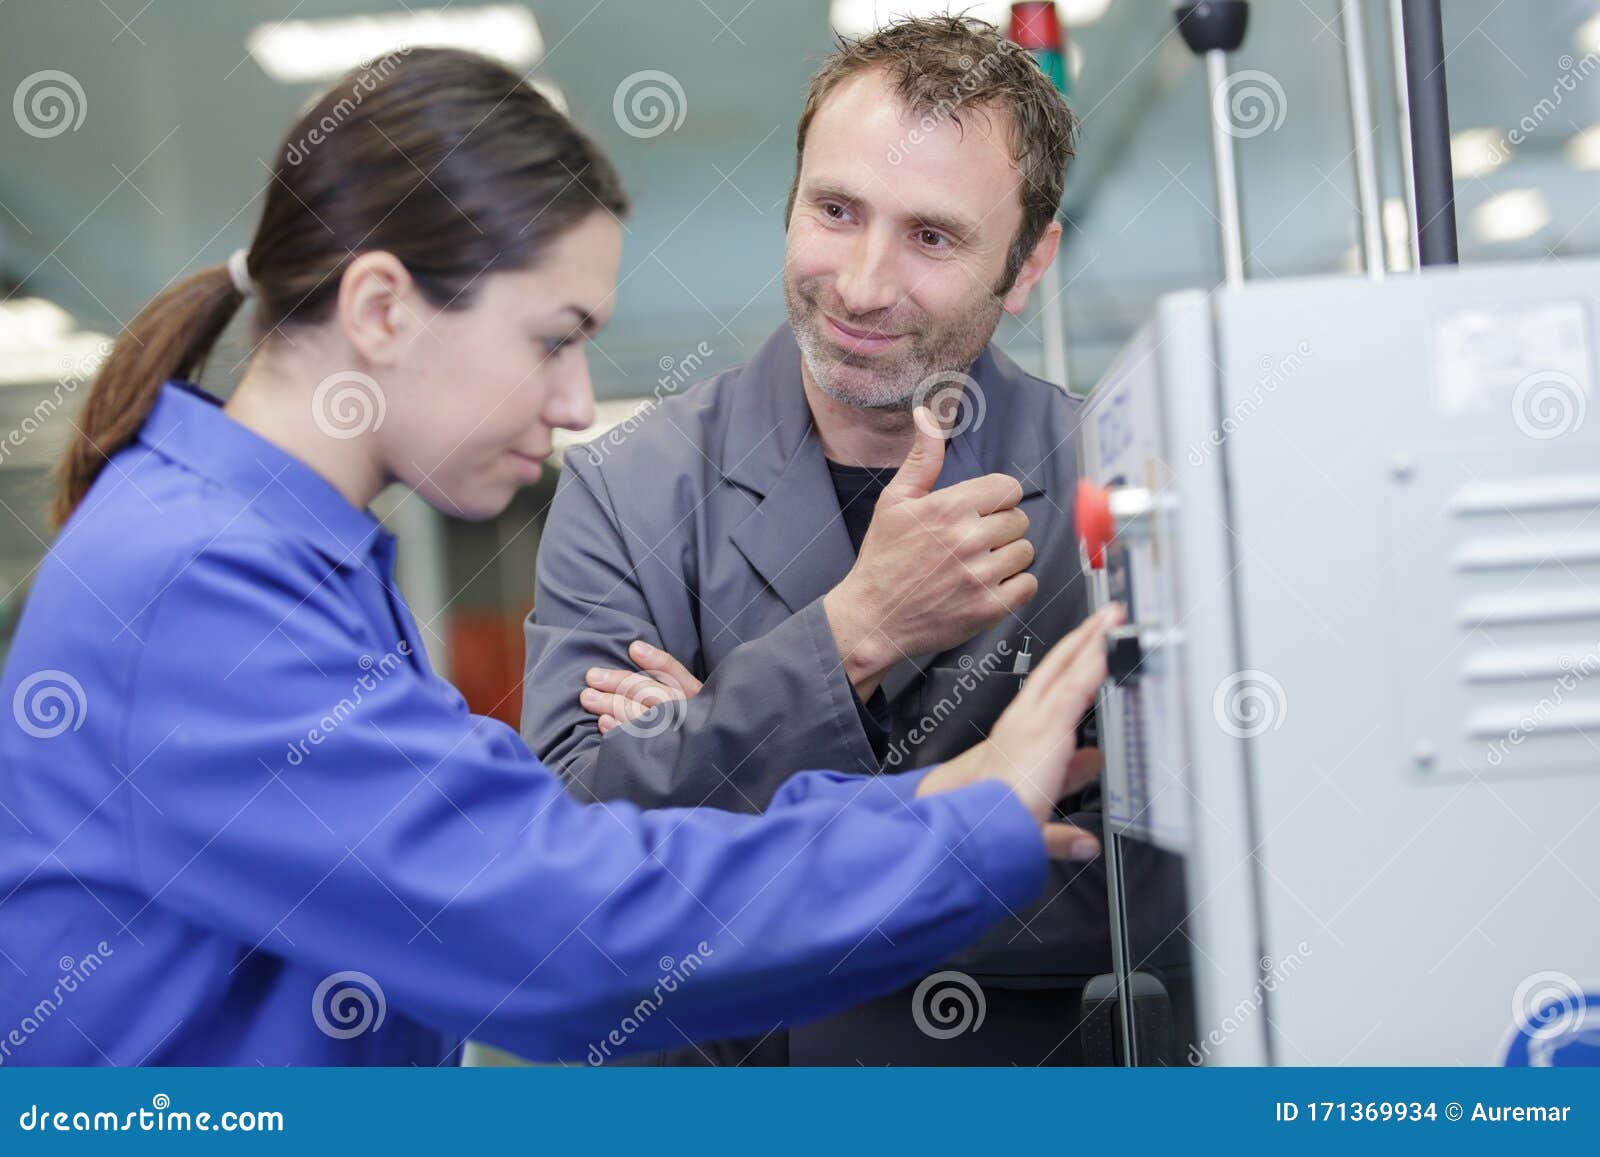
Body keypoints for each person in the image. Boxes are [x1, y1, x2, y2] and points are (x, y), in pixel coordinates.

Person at [0, 46, 1122, 1068]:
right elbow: (565, 917)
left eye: (931, 235)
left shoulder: (296, 563)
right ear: (382, 309)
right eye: (553, 339)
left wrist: (837, 773)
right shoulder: (205, 585)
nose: (580, 398)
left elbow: (548, 857)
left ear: (1024, 264)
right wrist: (962, 817)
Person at [521, 17, 1104, 1064]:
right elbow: (571, 857)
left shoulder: (1109, 476)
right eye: (836, 211)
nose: (865, 284)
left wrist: (706, 768)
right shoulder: (629, 489)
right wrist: (854, 635)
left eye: (932, 236)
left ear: (1027, 265)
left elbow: (1150, 872)